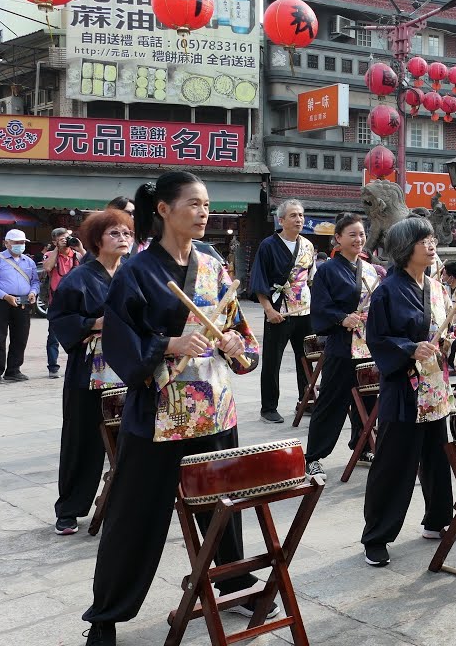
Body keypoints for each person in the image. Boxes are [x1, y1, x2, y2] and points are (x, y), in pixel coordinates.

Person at [81, 173, 263, 646]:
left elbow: (239, 332)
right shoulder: (137, 271)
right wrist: (168, 343)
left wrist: (234, 343)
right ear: (163, 209)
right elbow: (120, 342)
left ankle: (233, 580)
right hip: (160, 413)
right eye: (194, 203)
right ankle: (106, 613)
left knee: (223, 505)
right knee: (135, 514)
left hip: (214, 407)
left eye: (207, 204)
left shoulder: (213, 264)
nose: (204, 212)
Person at [360, 219, 456, 567]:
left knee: (438, 458)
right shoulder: (387, 291)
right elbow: (378, 340)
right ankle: (376, 536)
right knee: (394, 464)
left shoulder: (438, 288)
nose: (431, 244)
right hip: (404, 389)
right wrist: (410, 349)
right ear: (404, 247)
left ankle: (437, 520)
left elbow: (442, 337)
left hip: (435, 388)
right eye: (422, 239)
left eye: (431, 238)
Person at [46, 208, 132, 536]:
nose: (123, 238)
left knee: (130, 439)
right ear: (97, 240)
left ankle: (123, 505)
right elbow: (59, 319)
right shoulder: (79, 278)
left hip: (129, 367)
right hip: (89, 372)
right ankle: (69, 509)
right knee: (82, 440)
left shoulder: (134, 273)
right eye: (115, 233)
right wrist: (94, 323)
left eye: (127, 233)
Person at [304, 214, 377, 478]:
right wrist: (341, 318)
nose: (359, 239)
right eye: (352, 235)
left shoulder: (370, 269)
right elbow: (320, 306)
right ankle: (313, 456)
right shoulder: (328, 270)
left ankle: (362, 446)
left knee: (368, 399)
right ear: (338, 238)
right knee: (331, 401)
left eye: (362, 234)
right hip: (342, 344)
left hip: (368, 345)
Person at [250, 199, 317, 424]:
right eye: (293, 215)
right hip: (278, 311)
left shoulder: (308, 245)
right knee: (272, 361)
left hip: (304, 310)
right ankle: (268, 407)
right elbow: (259, 279)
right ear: (281, 220)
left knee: (306, 359)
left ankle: (306, 400)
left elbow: (311, 279)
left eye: (301, 215)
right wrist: (268, 309)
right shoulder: (268, 245)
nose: (299, 219)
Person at [0, 228, 39, 385]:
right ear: (7, 243)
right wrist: (5, 296)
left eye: (22, 242)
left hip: (23, 301)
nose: (20, 245)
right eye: (16, 242)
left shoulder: (29, 261)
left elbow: (35, 281)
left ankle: (14, 370)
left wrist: (33, 292)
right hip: (1, 300)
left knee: (21, 336)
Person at [44, 227, 84, 379]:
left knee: (80, 335)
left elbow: (93, 265)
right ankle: (53, 367)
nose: (66, 241)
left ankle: (79, 366)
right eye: (62, 239)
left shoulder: (77, 255)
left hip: (76, 302)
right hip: (56, 302)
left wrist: (80, 248)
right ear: (54, 241)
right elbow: (47, 267)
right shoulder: (50, 255)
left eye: (67, 238)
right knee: (53, 337)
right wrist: (57, 248)